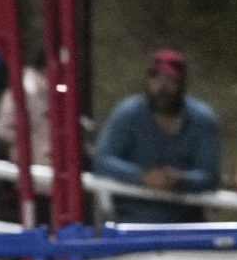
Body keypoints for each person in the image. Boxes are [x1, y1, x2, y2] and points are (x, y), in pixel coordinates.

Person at [92, 49, 222, 225]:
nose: (162, 87)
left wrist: (180, 180)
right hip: (132, 220)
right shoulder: (127, 113)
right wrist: (142, 176)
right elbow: (103, 160)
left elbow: (210, 175)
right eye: (156, 79)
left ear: (182, 84)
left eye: (170, 81)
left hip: (186, 223)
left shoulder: (203, 120)